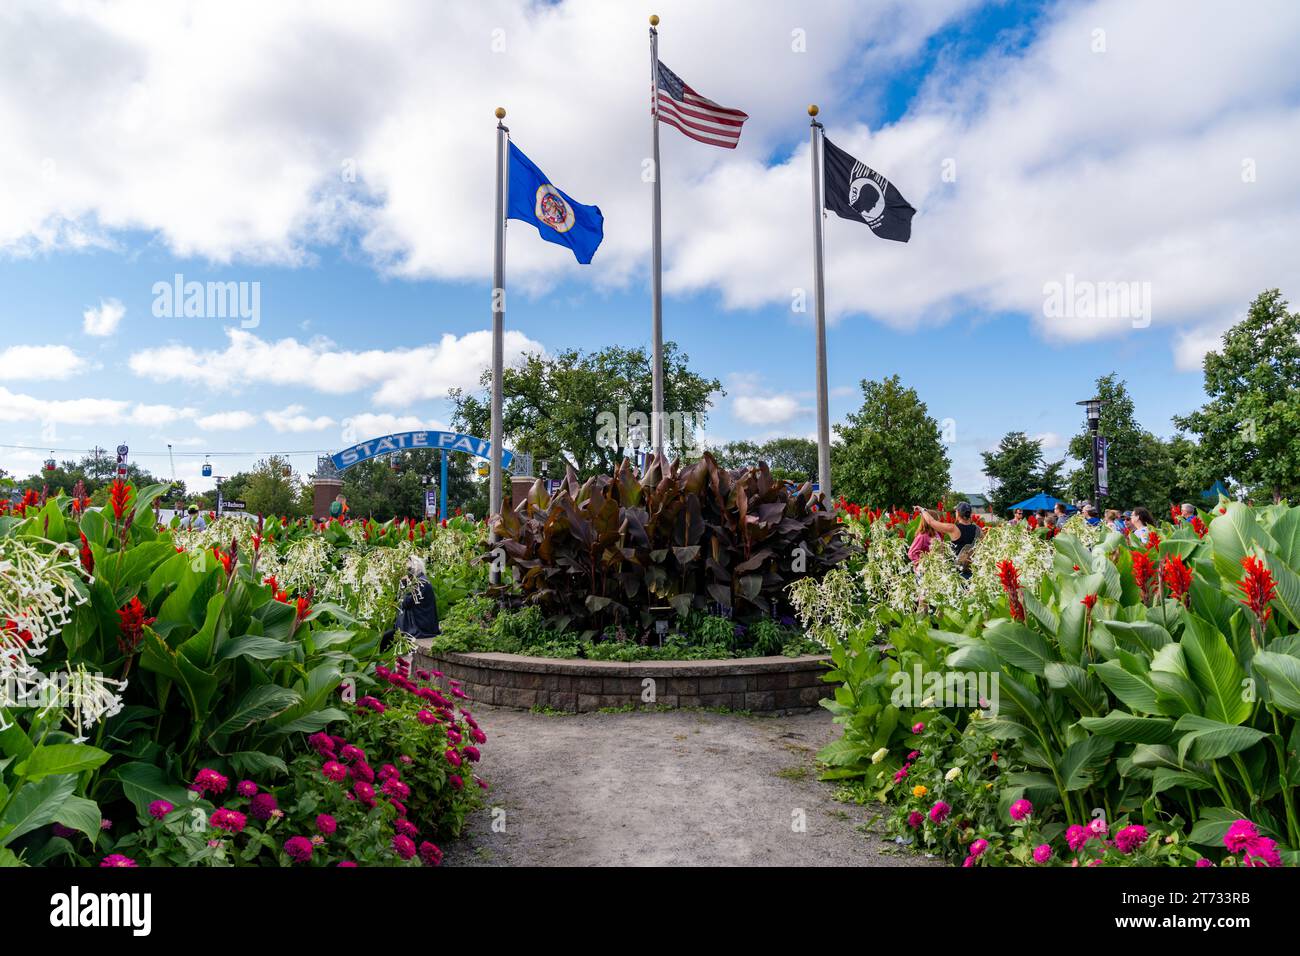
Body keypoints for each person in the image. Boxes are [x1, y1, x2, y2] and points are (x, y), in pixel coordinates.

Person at [380, 555, 440, 651]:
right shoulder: (417, 581)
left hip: (419, 628)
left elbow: (405, 604)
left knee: (385, 639)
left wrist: (403, 584)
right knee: (384, 639)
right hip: (412, 626)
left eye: (407, 569)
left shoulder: (422, 583)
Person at [919, 501, 982, 578]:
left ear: (958, 513)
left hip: (957, 573)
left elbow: (931, 522)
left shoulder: (953, 529)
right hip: (972, 571)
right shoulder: (978, 529)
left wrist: (922, 510)